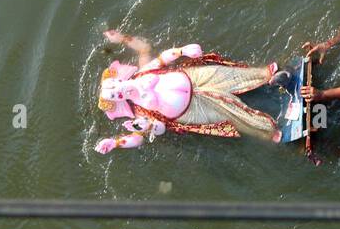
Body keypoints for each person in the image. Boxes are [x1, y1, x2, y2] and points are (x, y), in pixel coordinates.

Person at [92, 30, 283, 154]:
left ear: (119, 79)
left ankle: (265, 75)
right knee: (231, 113)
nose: (119, 91)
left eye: (116, 87)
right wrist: (116, 142)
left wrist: (182, 51)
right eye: (116, 95)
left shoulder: (142, 73)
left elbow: (154, 54)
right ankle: (266, 130)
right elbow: (144, 136)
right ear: (119, 102)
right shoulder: (139, 113)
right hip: (191, 111)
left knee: (229, 74)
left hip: (193, 77)